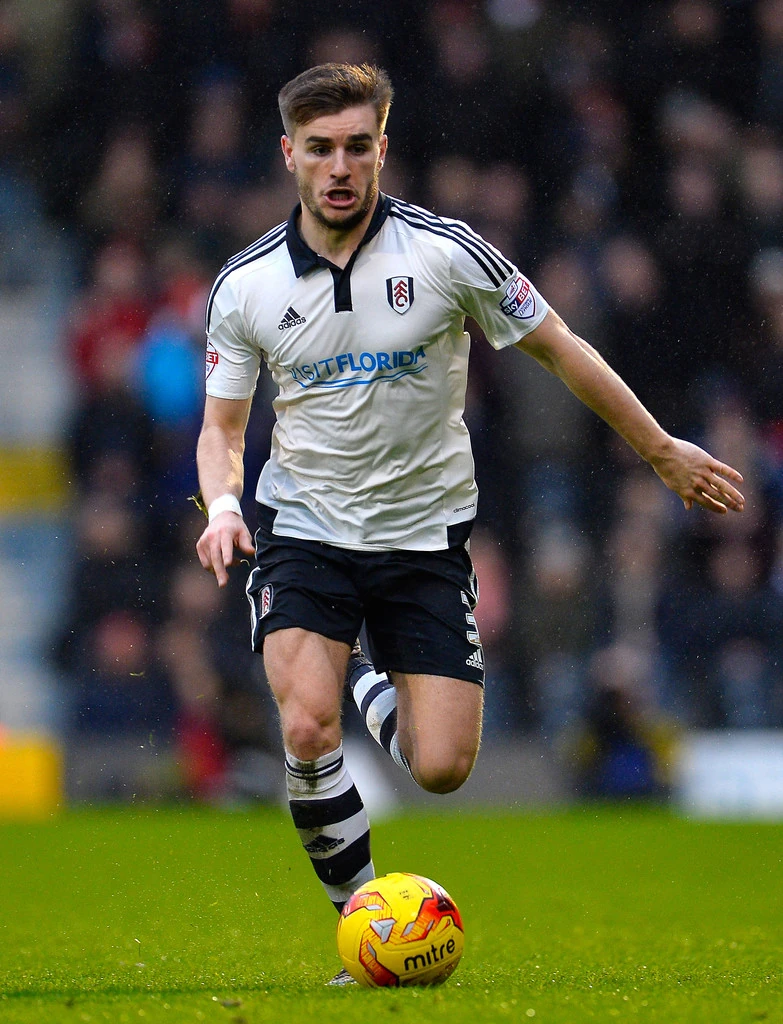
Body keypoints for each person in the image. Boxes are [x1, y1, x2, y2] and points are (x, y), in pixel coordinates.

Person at [194, 63, 745, 983]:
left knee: (441, 767)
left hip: (423, 541)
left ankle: (365, 675)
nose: (339, 166)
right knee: (304, 730)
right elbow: (220, 431)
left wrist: (657, 450)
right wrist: (220, 505)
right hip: (305, 530)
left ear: (382, 150)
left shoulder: (448, 254)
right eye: (320, 148)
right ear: (289, 155)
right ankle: (363, 928)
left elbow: (560, 350)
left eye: (357, 146)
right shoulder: (245, 285)